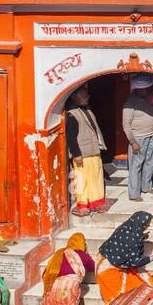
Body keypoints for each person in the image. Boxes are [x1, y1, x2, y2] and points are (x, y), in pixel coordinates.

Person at [95, 211, 153, 303]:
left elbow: (126, 241)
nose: (147, 227)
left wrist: (142, 236)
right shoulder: (134, 241)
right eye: (146, 226)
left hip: (103, 258)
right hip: (108, 272)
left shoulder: (126, 227)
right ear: (139, 225)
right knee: (119, 301)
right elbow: (136, 263)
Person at [65, 86, 108, 215]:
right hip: (82, 152)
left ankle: (95, 202)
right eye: (84, 95)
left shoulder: (86, 109)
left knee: (96, 177)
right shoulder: (72, 114)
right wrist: (76, 154)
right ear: (75, 97)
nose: (87, 97)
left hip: (93, 149)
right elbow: (71, 137)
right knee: (82, 179)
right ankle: (83, 205)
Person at [122, 74, 153, 201]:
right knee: (135, 166)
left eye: (147, 88)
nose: (146, 91)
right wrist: (133, 142)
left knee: (151, 162)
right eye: (143, 89)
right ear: (137, 89)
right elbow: (126, 125)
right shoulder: (129, 103)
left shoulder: (149, 99)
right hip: (138, 139)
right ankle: (134, 194)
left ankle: (146, 186)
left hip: (150, 136)